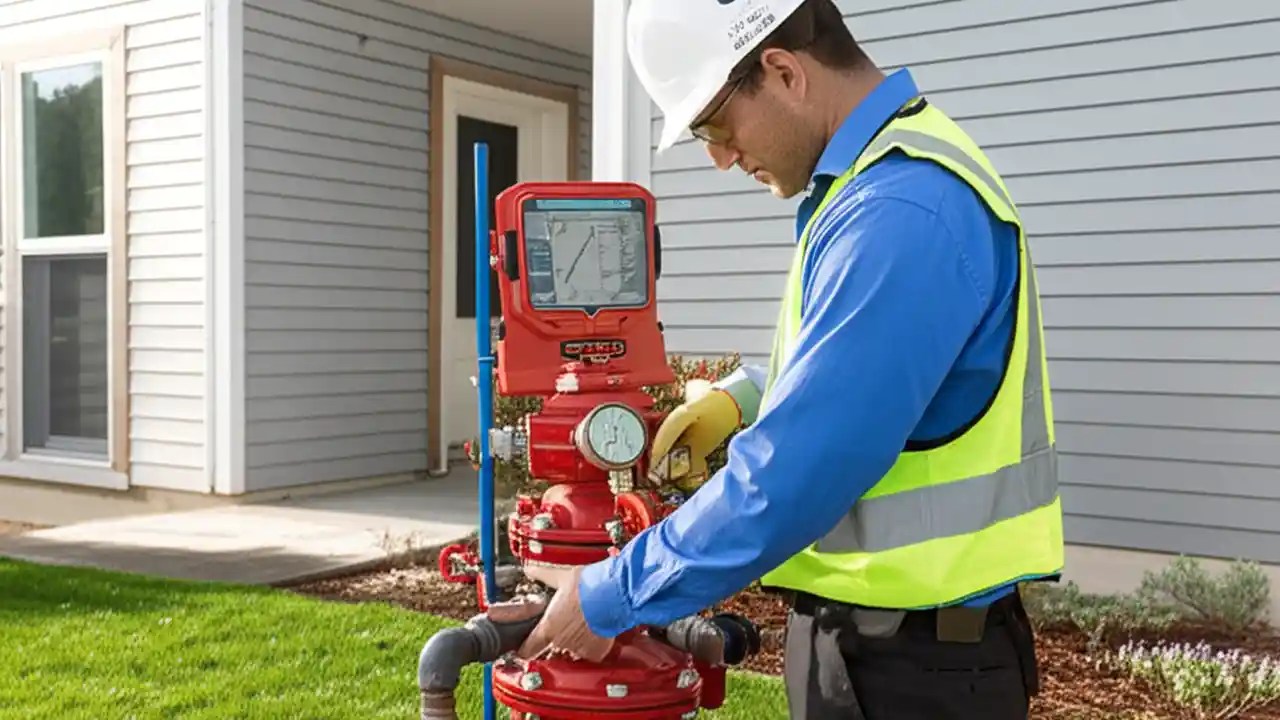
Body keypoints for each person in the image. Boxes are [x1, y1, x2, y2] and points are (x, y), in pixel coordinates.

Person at [517, 0, 1066, 717]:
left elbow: (795, 475)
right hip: (898, 652)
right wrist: (743, 398)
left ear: (782, 71)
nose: (719, 158)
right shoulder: (883, 184)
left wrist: (614, 593)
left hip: (914, 671)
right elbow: (890, 376)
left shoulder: (900, 207)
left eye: (715, 125)